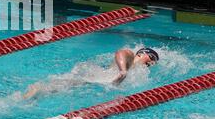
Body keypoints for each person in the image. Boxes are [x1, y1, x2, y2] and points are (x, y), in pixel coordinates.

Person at [23, 47, 159, 99]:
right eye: (152, 58)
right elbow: (122, 52)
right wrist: (123, 72)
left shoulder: (136, 72)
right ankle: (37, 88)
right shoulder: (130, 60)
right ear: (141, 53)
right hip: (90, 81)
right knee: (47, 89)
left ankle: (36, 93)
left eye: (154, 62)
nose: (152, 63)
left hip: (93, 87)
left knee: (48, 94)